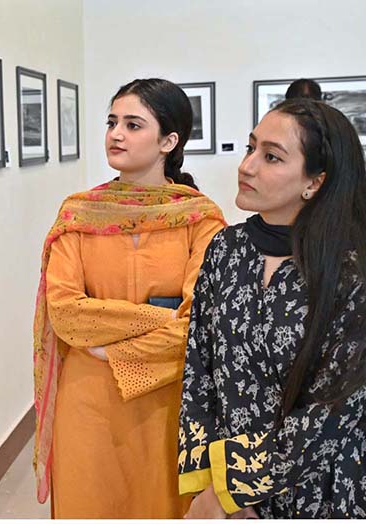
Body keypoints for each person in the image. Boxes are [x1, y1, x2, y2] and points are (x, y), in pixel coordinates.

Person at [178, 97, 366, 518]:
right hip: (224, 490)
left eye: (271, 157)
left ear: (315, 181)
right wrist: (206, 482)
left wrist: (230, 492)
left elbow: (332, 412)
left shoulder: (352, 269)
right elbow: (198, 369)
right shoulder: (225, 248)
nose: (247, 166)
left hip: (318, 490)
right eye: (250, 147)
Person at [31, 78, 225, 518]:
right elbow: (65, 314)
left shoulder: (201, 220)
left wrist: (106, 346)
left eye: (134, 124)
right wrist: (158, 319)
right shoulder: (78, 215)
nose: (116, 134)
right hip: (87, 404)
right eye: (112, 122)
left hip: (168, 404)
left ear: (168, 141)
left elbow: (199, 328)